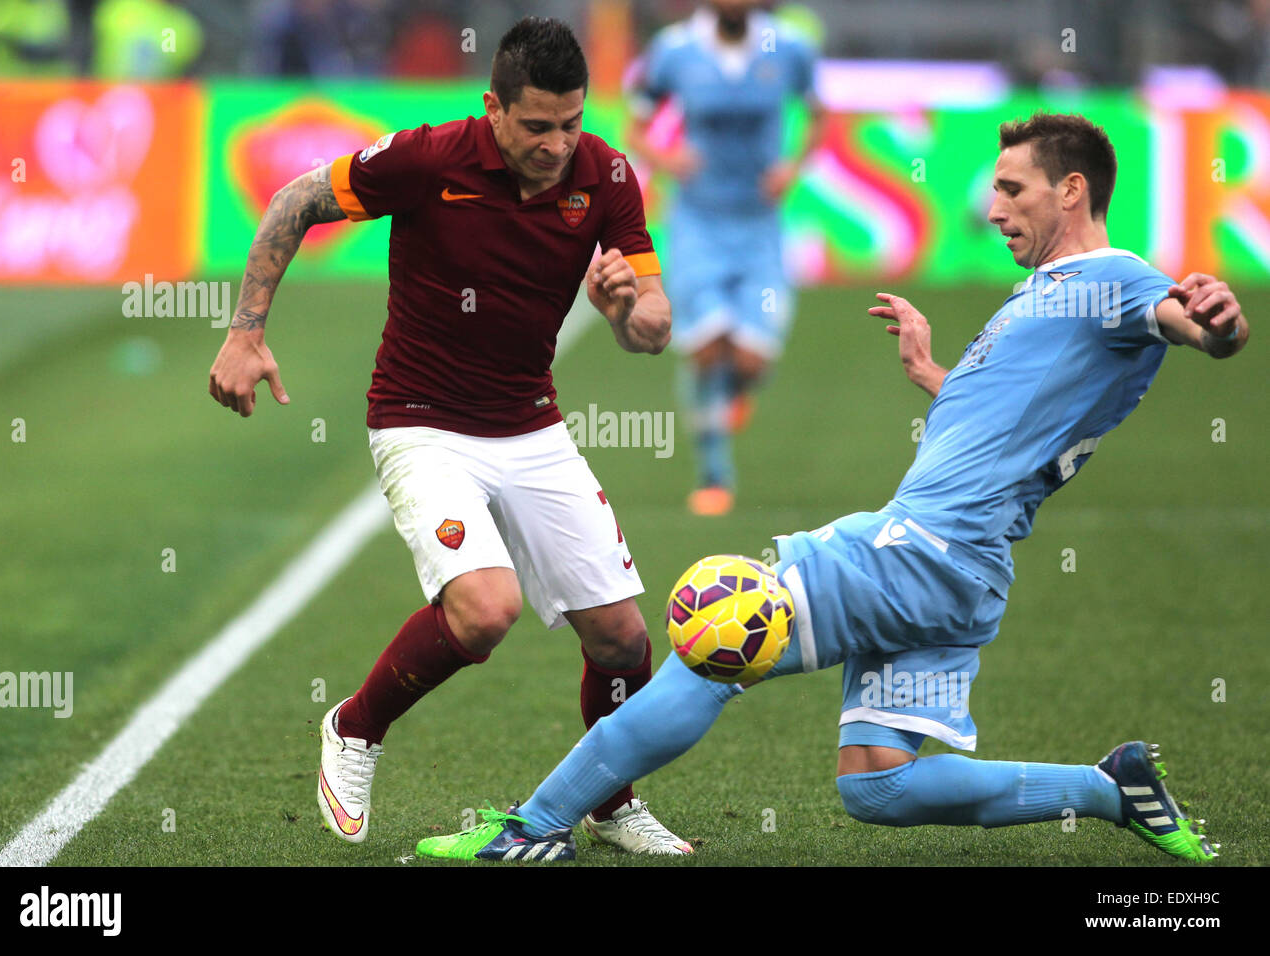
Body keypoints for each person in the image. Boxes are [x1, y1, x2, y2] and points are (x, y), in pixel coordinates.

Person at [415, 112, 1246, 863]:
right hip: (967, 578)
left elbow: (1197, 326)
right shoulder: (1048, 292)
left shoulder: (1115, 281)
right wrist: (934, 375)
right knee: (877, 784)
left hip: (921, 550)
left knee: (719, 635)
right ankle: (1108, 788)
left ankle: (535, 829)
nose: (994, 208)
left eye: (1011, 188)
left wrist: (1216, 318)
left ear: (1072, 189)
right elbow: (1017, 423)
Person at [208, 17, 694, 855]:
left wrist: (624, 308)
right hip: (421, 423)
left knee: (622, 637)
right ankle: (355, 729)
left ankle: (611, 803)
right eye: (537, 126)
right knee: (485, 610)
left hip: (530, 423)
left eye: (571, 123)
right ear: (494, 109)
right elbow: (295, 200)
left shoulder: (608, 176)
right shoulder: (428, 160)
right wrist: (245, 332)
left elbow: (652, 328)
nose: (557, 144)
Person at [625, 0, 823, 516]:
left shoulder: (788, 46)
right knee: (708, 349)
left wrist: (792, 167)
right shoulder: (675, 50)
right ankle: (714, 475)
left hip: (759, 226)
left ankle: (737, 390)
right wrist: (667, 159)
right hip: (698, 224)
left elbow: (821, 114)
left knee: (752, 360)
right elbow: (634, 126)